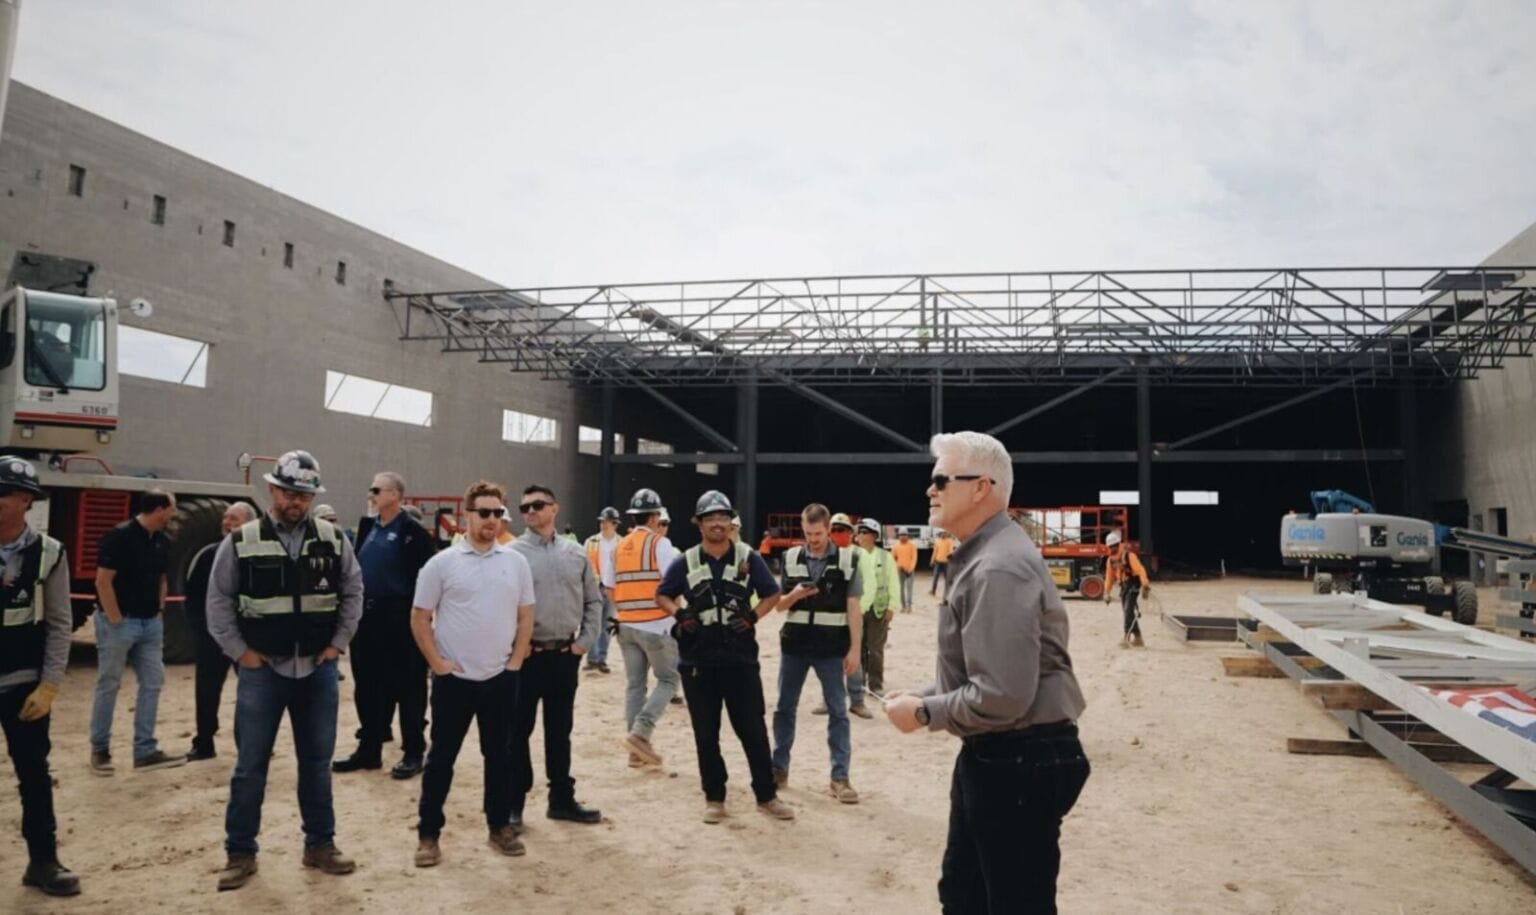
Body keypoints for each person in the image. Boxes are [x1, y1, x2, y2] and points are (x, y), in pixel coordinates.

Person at [884, 431, 1088, 913]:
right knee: (964, 893)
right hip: (1001, 754)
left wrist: (926, 712)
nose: (929, 490)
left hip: (1017, 760)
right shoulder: (985, 555)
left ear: (982, 488)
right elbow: (990, 673)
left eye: (940, 479)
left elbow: (1001, 695)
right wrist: (926, 695)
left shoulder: (997, 567)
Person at [206, 450, 364, 891]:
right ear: (272, 490)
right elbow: (218, 602)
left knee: (316, 763)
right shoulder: (242, 539)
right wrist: (241, 653)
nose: (297, 501)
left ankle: (320, 844)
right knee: (250, 766)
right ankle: (240, 853)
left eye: (305, 495)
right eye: (290, 492)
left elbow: (353, 591)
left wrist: (337, 645)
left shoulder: (333, 539)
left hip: (317, 671)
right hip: (262, 671)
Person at [410, 480, 534, 867]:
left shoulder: (516, 562)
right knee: (441, 759)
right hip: (454, 683)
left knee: (499, 756)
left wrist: (514, 663)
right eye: (484, 513)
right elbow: (420, 617)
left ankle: (499, 827)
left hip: (500, 679)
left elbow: (526, 615)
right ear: (467, 514)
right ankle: (429, 835)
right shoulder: (442, 563)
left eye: (498, 513)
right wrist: (438, 665)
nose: (492, 520)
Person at [655, 490, 793, 824]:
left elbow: (772, 593)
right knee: (706, 734)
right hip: (698, 664)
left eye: (722, 518)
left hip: (740, 661)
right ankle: (714, 798)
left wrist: (752, 617)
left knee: (754, 732)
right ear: (699, 524)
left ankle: (766, 796)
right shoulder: (685, 561)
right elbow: (662, 594)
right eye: (710, 518)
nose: (717, 523)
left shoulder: (748, 557)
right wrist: (679, 614)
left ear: (730, 523)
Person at [0, 456, 82, 896]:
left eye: (3, 493)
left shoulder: (48, 554)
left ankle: (43, 861)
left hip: (21, 685)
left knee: (33, 774)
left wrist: (49, 684)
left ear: (25, 500)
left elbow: (58, 622)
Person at [509, 485, 603, 829]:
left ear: (554, 509)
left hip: (565, 656)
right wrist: (516, 647)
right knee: (518, 732)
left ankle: (561, 800)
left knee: (559, 731)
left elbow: (594, 601)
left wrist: (583, 644)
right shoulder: (513, 554)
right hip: (528, 657)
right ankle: (513, 804)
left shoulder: (576, 553)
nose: (530, 511)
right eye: (524, 507)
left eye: (537, 505)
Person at [335, 471, 436, 778]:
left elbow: (426, 579)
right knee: (367, 685)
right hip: (367, 618)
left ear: (395, 495)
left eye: (376, 489)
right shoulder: (369, 528)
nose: (371, 494)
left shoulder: (413, 532)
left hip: (400, 618)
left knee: (408, 687)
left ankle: (413, 751)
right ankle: (369, 749)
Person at [771, 503, 863, 804]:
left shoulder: (849, 560)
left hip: (830, 649)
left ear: (829, 529)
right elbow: (779, 606)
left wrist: (855, 650)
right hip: (795, 646)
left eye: (819, 533)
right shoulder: (791, 557)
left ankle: (840, 778)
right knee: (784, 708)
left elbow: (853, 609)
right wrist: (795, 594)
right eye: (808, 533)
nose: (813, 539)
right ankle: (778, 769)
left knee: (838, 712)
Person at [89, 487, 184, 774]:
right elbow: (103, 581)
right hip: (121, 623)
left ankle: (144, 751)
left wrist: (158, 611)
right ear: (158, 510)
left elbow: (162, 578)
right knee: (109, 683)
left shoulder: (163, 541)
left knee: (153, 683)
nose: (174, 514)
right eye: (171, 508)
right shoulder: (119, 536)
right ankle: (99, 750)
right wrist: (116, 619)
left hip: (149, 624)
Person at [613, 488, 683, 767]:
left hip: (626, 625)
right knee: (668, 680)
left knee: (635, 686)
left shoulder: (620, 545)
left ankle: (636, 752)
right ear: (655, 517)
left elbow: (609, 585)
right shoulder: (660, 544)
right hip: (655, 625)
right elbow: (672, 584)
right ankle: (641, 732)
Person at [185, 501, 258, 760]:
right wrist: (203, 631)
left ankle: (252, 745)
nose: (227, 523)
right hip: (211, 639)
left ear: (250, 524)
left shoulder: (259, 556)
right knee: (206, 691)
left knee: (253, 694)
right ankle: (204, 742)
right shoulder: (207, 555)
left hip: (247, 641)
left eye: (234, 519)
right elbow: (192, 599)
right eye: (226, 518)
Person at [848, 516, 900, 711]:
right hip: (858, 609)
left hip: (878, 609)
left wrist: (891, 606)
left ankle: (876, 684)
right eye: (858, 532)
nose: (859, 535)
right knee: (858, 647)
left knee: (875, 649)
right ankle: (859, 684)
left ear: (873, 536)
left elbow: (893, 581)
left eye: (864, 532)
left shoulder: (884, 557)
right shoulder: (852, 554)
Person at [582, 507, 622, 675]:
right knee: (593, 623)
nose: (603, 525)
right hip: (595, 587)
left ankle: (601, 659)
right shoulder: (591, 541)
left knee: (606, 624)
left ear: (615, 524)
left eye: (606, 522)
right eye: (602, 522)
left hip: (612, 588)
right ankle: (592, 659)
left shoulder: (622, 543)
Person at [1104, 530, 1151, 648]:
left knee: (1128, 610)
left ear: (1117, 544)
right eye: (1109, 546)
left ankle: (1126, 638)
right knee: (1127, 611)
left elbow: (1140, 570)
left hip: (1133, 584)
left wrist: (1145, 585)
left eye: (1112, 546)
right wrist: (1106, 592)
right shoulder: (1110, 560)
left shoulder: (1129, 556)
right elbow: (1109, 577)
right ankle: (1138, 638)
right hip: (1124, 586)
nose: (1111, 548)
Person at [892, 530, 917, 613]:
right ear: (898, 536)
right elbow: (892, 558)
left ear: (908, 536)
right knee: (901, 589)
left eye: (904, 535)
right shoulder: (895, 546)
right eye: (901, 535)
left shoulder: (912, 546)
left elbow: (914, 558)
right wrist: (898, 566)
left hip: (910, 570)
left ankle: (909, 606)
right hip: (900, 570)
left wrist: (911, 568)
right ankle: (903, 606)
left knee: (909, 588)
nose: (903, 536)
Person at [930, 530, 954, 599]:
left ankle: (949, 592)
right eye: (942, 533)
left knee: (947, 578)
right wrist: (932, 560)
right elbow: (935, 552)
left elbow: (950, 550)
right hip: (938, 562)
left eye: (945, 533)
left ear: (947, 534)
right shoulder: (937, 541)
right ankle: (933, 591)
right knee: (935, 577)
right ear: (940, 534)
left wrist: (949, 555)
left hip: (946, 563)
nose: (944, 534)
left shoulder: (949, 541)